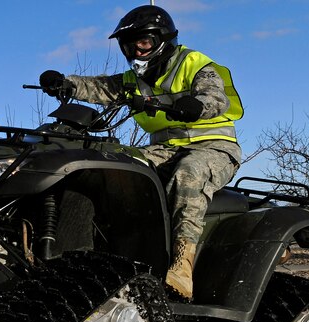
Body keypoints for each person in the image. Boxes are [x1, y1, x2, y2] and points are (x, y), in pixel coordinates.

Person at [39, 4, 243, 300]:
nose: (137, 50)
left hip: (213, 146)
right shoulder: (135, 80)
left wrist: (198, 105)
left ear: (162, 40)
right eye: (130, 45)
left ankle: (182, 264)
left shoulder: (193, 63)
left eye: (143, 42)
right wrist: (66, 84)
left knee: (189, 173)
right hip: (165, 148)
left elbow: (215, 95)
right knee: (119, 165)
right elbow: (102, 87)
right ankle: (109, 252)